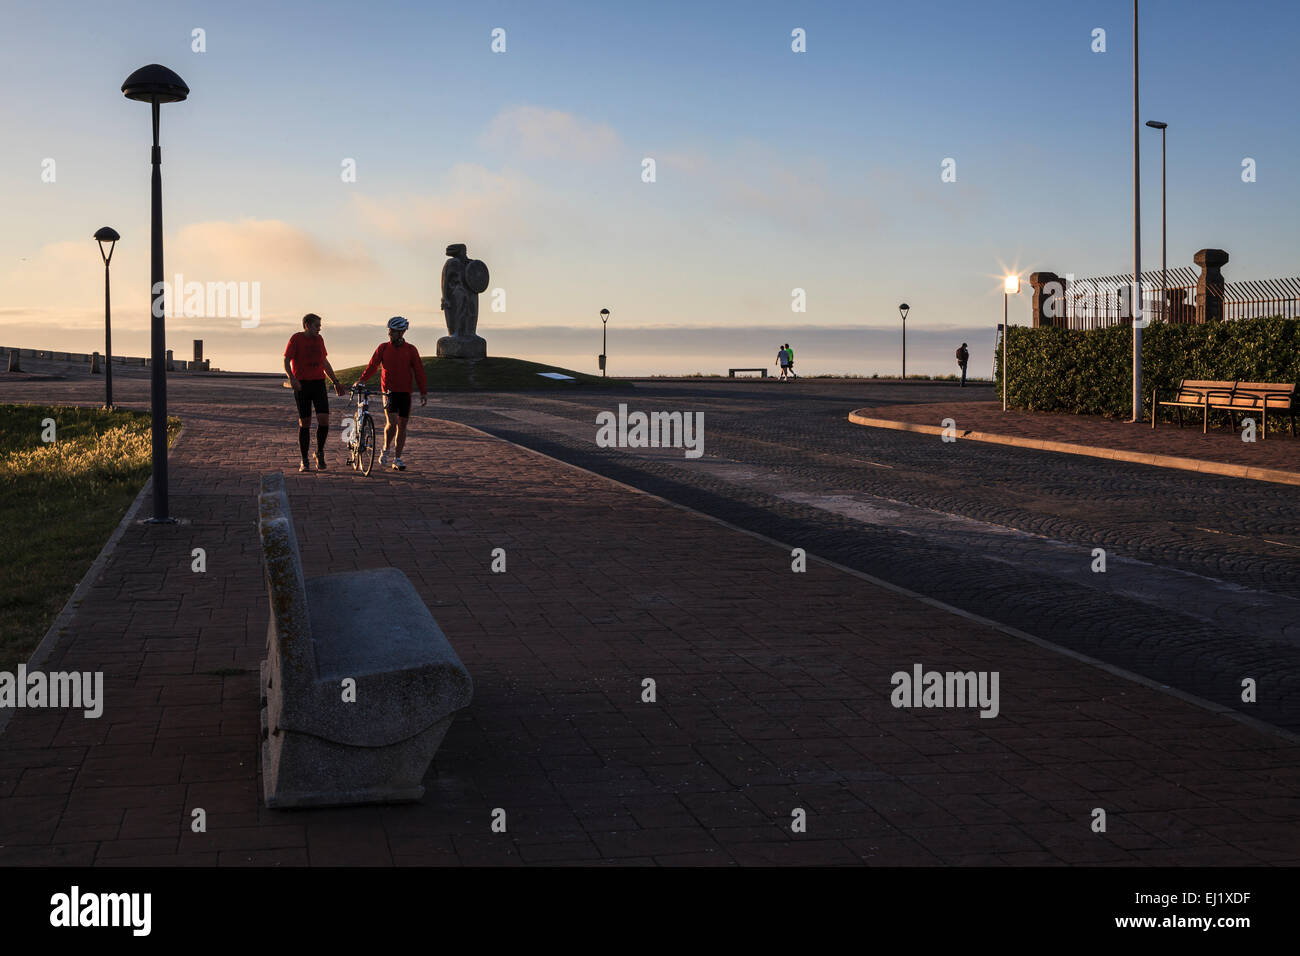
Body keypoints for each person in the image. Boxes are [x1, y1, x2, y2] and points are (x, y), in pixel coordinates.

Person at [355, 316, 428, 470]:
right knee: (392, 422)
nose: (390, 334)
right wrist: (362, 380)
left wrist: (423, 392)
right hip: (389, 392)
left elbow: (419, 371)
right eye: (389, 331)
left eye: (393, 331)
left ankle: (397, 458)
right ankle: (386, 449)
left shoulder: (411, 350)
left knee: (403, 425)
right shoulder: (383, 348)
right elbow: (372, 366)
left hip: (405, 392)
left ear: (401, 332)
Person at [283, 313, 344, 472]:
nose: (319, 328)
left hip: (318, 384)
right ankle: (304, 459)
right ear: (307, 325)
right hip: (302, 385)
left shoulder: (320, 340)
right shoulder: (296, 339)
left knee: (324, 420)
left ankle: (319, 452)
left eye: (319, 325)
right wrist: (292, 379)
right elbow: (286, 361)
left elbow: (324, 362)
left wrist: (335, 381)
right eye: (317, 325)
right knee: (305, 423)